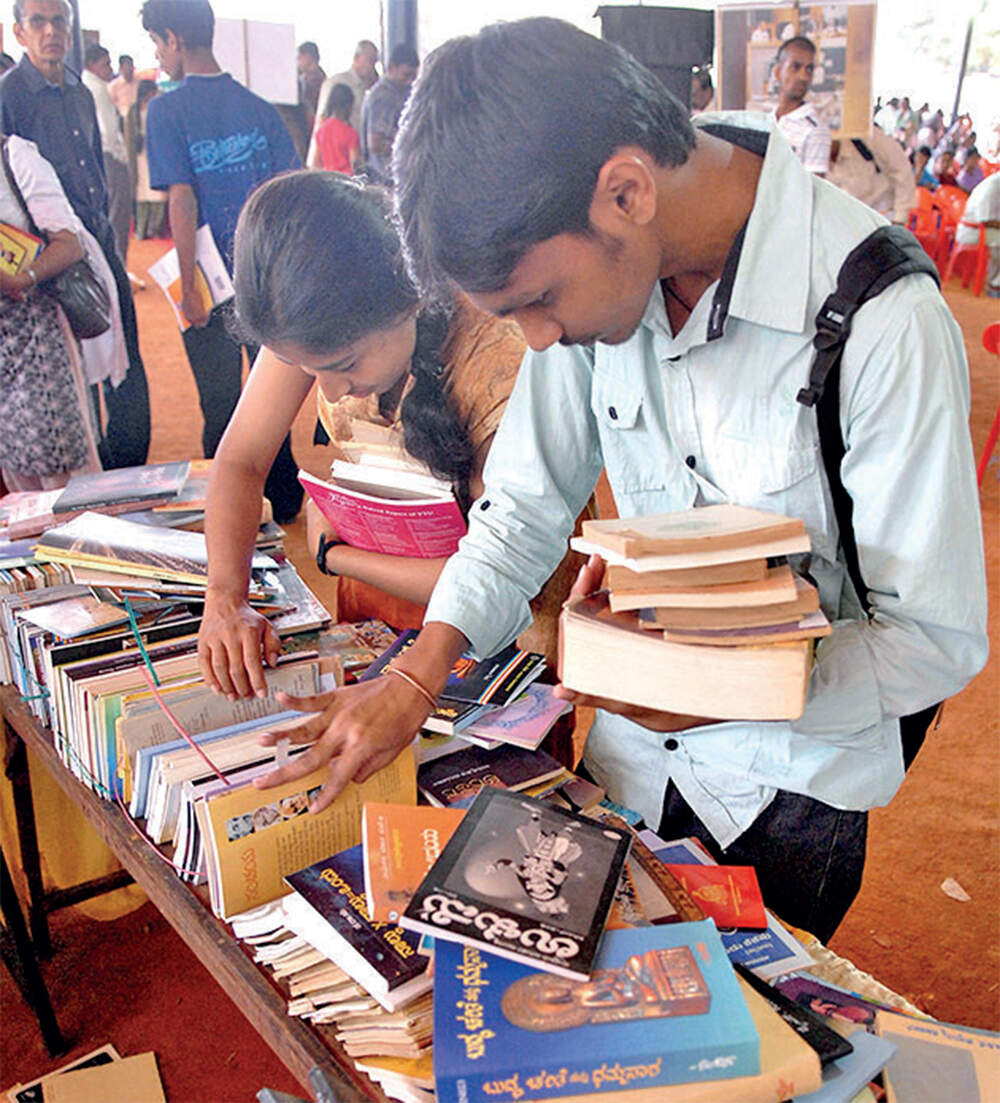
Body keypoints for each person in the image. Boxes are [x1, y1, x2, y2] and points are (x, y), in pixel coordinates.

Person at [250, 18, 987, 944]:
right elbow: (522, 506)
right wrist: (418, 673)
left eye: (538, 303)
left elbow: (934, 640)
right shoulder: (597, 264)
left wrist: (718, 684)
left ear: (628, 193)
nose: (541, 342)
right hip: (631, 764)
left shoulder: (880, 320)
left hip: (791, 794)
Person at [196, 170, 586, 700]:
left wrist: (336, 555)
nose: (329, 394)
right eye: (309, 369)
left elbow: (499, 567)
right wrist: (224, 596)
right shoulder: (314, 317)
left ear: (411, 300)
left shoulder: (498, 357)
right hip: (380, 604)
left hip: (501, 629)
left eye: (344, 365)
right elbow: (241, 458)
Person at [141, 0, 303, 523]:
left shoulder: (165, 110)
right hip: (265, 279)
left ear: (172, 39)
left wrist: (188, 285)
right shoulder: (260, 109)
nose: (159, 56)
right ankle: (282, 494)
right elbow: (290, 195)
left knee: (220, 404)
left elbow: (182, 200)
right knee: (270, 394)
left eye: (156, 44)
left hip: (210, 284)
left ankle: (232, 511)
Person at [0, 0, 151, 470]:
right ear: (19, 33)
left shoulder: (83, 92)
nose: (51, 31)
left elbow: (96, 169)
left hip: (98, 246)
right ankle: (96, 472)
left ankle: (127, 472)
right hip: (46, 266)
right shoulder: (7, 98)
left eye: (59, 21)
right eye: (38, 22)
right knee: (74, 376)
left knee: (123, 358)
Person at [1, 134, 101, 489]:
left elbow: (69, 244)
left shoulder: (17, 158)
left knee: (61, 472)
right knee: (14, 480)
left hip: (38, 341)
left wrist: (22, 279)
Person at [81, 43, 132, 263]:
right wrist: (122, 157)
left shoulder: (84, 86)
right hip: (110, 156)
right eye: (106, 64)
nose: (110, 68)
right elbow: (109, 130)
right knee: (119, 213)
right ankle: (119, 265)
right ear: (92, 65)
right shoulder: (98, 89)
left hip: (98, 157)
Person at [827, 126, 916, 225]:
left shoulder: (867, 137)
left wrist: (899, 219)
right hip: (849, 224)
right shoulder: (814, 163)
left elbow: (902, 170)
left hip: (883, 217)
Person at [307, 39, 378, 160]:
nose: (372, 67)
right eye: (370, 61)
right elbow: (323, 118)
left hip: (355, 152)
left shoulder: (366, 87)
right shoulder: (337, 82)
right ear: (357, 58)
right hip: (335, 155)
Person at [770, 36, 831, 176]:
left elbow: (812, 193)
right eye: (795, 67)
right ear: (777, 72)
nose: (804, 77)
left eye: (809, 69)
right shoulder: (767, 121)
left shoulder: (815, 130)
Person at [359, 43, 418, 185]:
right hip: (384, 177)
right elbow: (376, 143)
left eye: (414, 76)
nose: (410, 81)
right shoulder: (383, 96)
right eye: (406, 75)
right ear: (391, 68)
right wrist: (411, 152)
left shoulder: (399, 92)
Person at [125, 79, 166, 238]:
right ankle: (141, 229)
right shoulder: (133, 110)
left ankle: (156, 228)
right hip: (139, 156)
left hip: (155, 154)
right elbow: (129, 135)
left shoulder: (159, 109)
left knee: (158, 192)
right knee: (141, 191)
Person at [955, 173, 1000, 298]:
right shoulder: (993, 186)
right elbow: (985, 220)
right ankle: (995, 286)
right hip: (972, 230)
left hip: (984, 229)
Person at [308, 83, 359, 173]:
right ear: (348, 106)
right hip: (347, 180)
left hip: (329, 180)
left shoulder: (321, 131)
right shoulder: (350, 133)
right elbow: (355, 165)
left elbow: (316, 164)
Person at [296, 40, 326, 135]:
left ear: (308, 57)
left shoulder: (317, 80)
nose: (298, 61)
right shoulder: (301, 76)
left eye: (299, 58)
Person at [109, 53, 138, 118]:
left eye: (131, 68)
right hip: (123, 120)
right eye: (126, 69)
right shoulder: (113, 86)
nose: (129, 71)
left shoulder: (140, 83)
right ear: (120, 69)